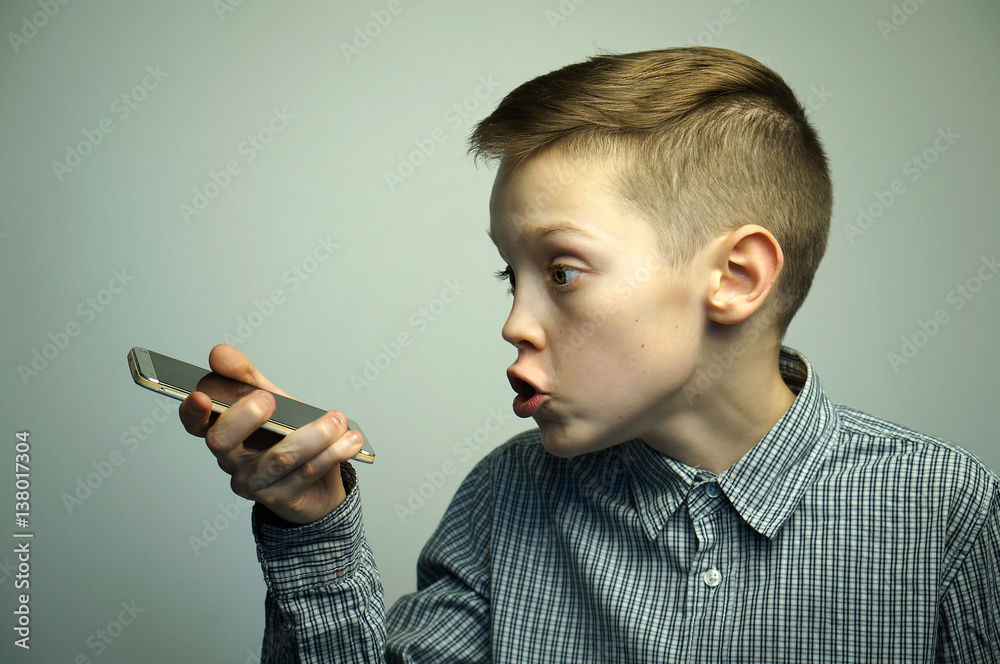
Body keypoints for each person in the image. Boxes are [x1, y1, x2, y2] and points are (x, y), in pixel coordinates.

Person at [179, 47, 999, 663]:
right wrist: (313, 524)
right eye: (512, 273)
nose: (513, 323)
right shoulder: (505, 498)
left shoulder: (947, 514)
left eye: (562, 270)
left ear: (736, 278)